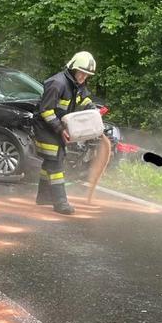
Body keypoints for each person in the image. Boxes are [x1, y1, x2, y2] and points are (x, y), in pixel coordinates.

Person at [33, 51, 98, 215]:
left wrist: (93, 110)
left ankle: (43, 196)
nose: (83, 77)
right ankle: (60, 202)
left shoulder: (77, 84)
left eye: (87, 75)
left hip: (57, 127)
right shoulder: (57, 83)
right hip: (46, 127)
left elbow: (83, 99)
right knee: (55, 162)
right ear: (73, 68)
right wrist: (60, 130)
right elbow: (46, 111)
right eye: (82, 72)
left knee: (52, 160)